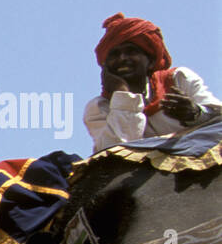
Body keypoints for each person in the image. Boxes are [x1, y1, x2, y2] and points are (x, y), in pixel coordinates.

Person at [83, 13, 221, 153]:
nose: (122, 59)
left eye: (131, 52)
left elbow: (218, 118)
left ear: (151, 62)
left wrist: (194, 113)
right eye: (114, 54)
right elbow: (115, 151)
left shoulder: (178, 79)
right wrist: (123, 95)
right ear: (105, 66)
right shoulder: (100, 107)